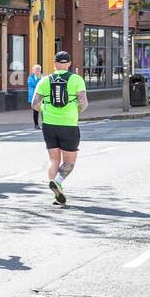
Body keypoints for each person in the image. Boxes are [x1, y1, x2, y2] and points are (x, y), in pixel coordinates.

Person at [32, 50, 88, 206]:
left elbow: (34, 104)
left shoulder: (44, 81)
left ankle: (56, 194)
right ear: (69, 64)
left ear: (55, 64)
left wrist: (46, 110)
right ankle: (57, 181)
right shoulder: (77, 79)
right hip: (69, 125)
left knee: (53, 159)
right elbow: (84, 104)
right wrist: (73, 110)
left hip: (49, 125)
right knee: (69, 162)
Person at [27, 63, 42, 129]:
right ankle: (36, 124)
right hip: (34, 96)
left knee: (43, 111)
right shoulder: (30, 78)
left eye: (39, 70)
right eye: (36, 70)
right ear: (33, 71)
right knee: (36, 111)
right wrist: (39, 79)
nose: (38, 72)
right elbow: (33, 84)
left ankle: (45, 124)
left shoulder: (41, 77)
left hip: (41, 96)